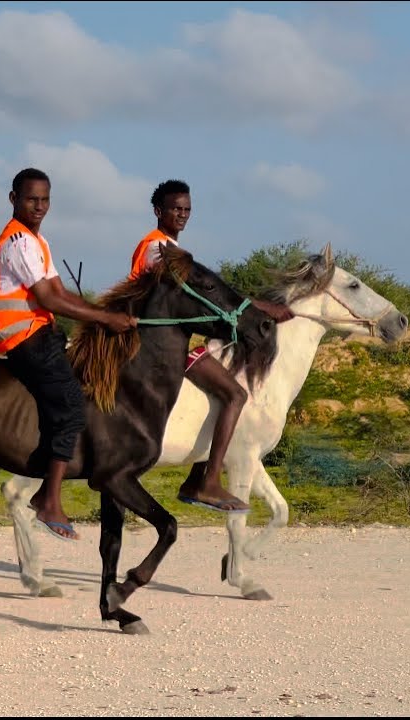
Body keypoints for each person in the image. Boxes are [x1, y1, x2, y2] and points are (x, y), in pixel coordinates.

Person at [0, 168, 137, 542]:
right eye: (31, 199)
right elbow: (51, 300)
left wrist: (104, 316)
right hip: (23, 340)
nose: (39, 206)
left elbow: (60, 292)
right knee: (71, 405)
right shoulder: (18, 242)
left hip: (42, 335)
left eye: (45, 200)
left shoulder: (39, 242)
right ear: (13, 199)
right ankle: (48, 498)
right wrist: (104, 317)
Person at [128, 179, 294, 513]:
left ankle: (196, 479)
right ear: (159, 211)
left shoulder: (167, 247)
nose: (182, 215)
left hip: (174, 342)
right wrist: (262, 309)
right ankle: (208, 481)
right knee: (235, 395)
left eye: (187, 209)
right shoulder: (159, 249)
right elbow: (206, 295)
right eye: (176, 208)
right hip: (160, 347)